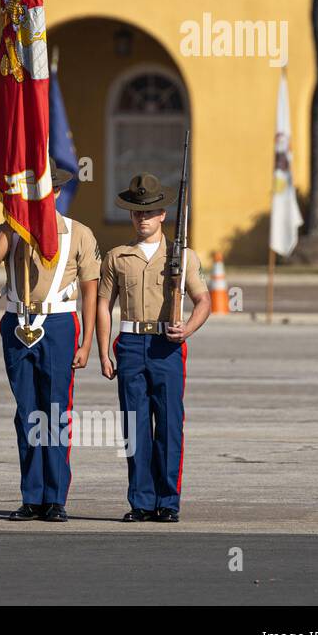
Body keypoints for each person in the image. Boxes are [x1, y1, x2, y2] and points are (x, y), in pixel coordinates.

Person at [0, 160, 100, 523]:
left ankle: (55, 496)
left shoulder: (78, 233)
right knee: (27, 412)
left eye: (45, 190)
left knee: (55, 413)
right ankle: (32, 495)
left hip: (59, 322)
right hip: (18, 321)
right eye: (32, 190)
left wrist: (86, 344)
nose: (39, 196)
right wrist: (11, 217)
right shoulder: (14, 228)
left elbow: (90, 291)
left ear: (59, 192)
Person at [96, 172, 210, 524]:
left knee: (170, 425)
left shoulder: (182, 256)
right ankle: (141, 501)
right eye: (136, 212)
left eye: (149, 212)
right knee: (135, 425)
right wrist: (104, 351)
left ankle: (168, 501)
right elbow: (103, 305)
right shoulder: (117, 257)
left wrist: (187, 328)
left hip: (166, 345)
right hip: (130, 343)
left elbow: (203, 300)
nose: (142, 218)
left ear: (163, 215)